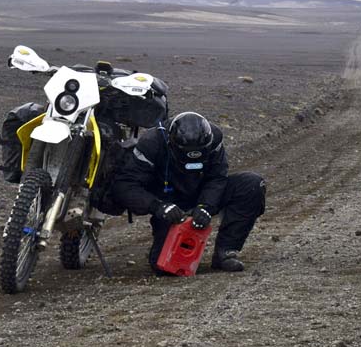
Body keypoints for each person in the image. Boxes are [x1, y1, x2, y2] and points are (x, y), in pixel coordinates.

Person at [110, 111, 266, 273]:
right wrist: (158, 207)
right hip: (168, 201)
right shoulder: (151, 143)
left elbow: (218, 177)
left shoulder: (215, 138)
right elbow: (125, 185)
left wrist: (206, 206)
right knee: (163, 268)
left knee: (251, 184)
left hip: (202, 192)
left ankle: (225, 252)